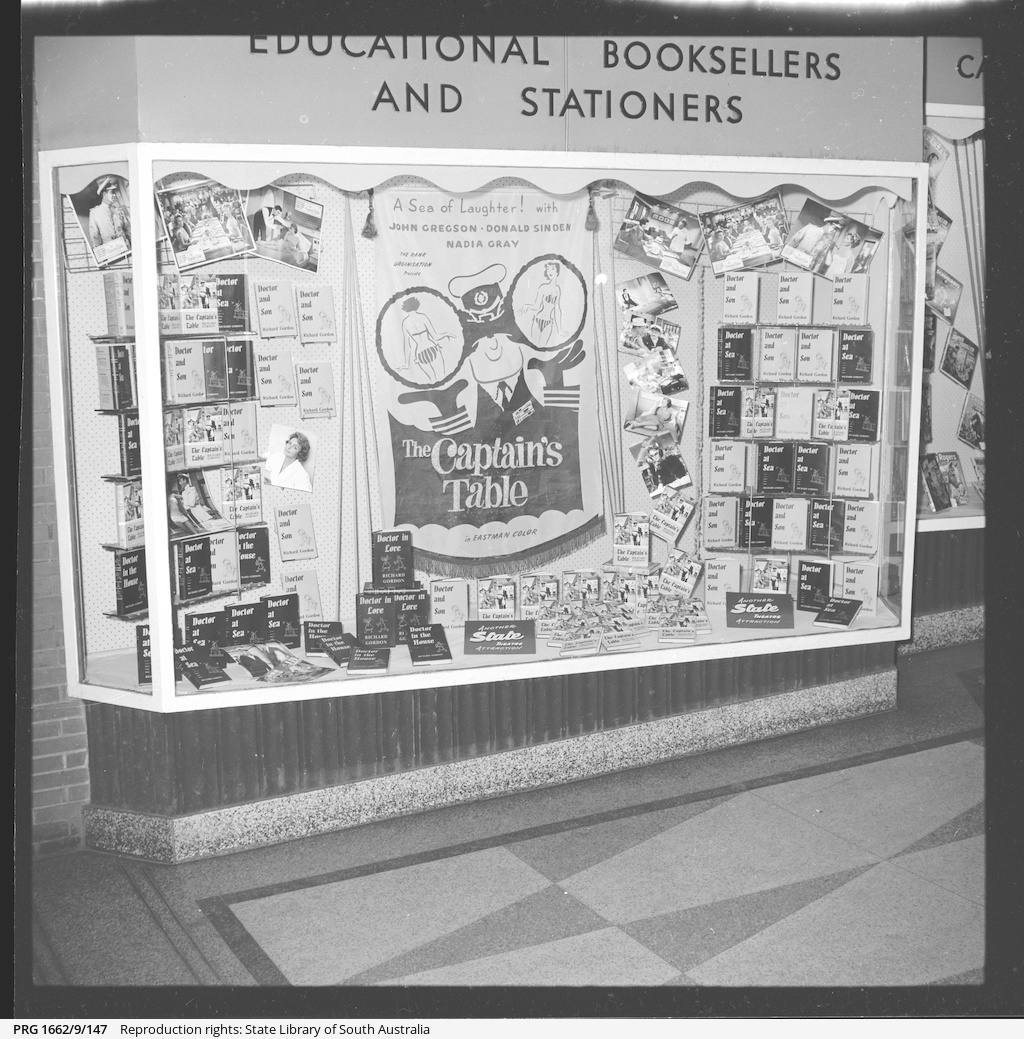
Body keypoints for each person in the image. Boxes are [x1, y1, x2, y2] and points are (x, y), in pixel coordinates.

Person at [88, 175, 131, 250]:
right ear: (104, 194)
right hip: (110, 253)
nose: (114, 195)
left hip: (126, 250)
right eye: (112, 192)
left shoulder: (120, 209)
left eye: (115, 192)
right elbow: (95, 237)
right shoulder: (95, 213)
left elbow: (128, 230)